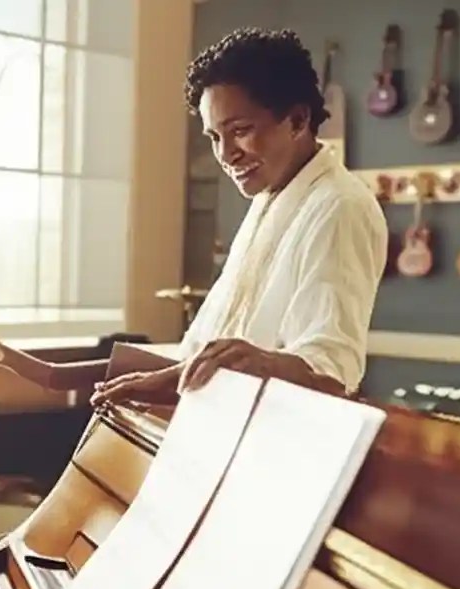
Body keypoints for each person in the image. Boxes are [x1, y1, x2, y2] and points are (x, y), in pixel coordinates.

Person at [90, 27, 386, 403]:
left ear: (297, 120)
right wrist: (161, 381)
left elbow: (333, 372)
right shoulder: (270, 198)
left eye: (240, 131)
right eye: (214, 137)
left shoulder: (339, 207)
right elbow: (216, 353)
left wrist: (261, 362)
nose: (226, 154)